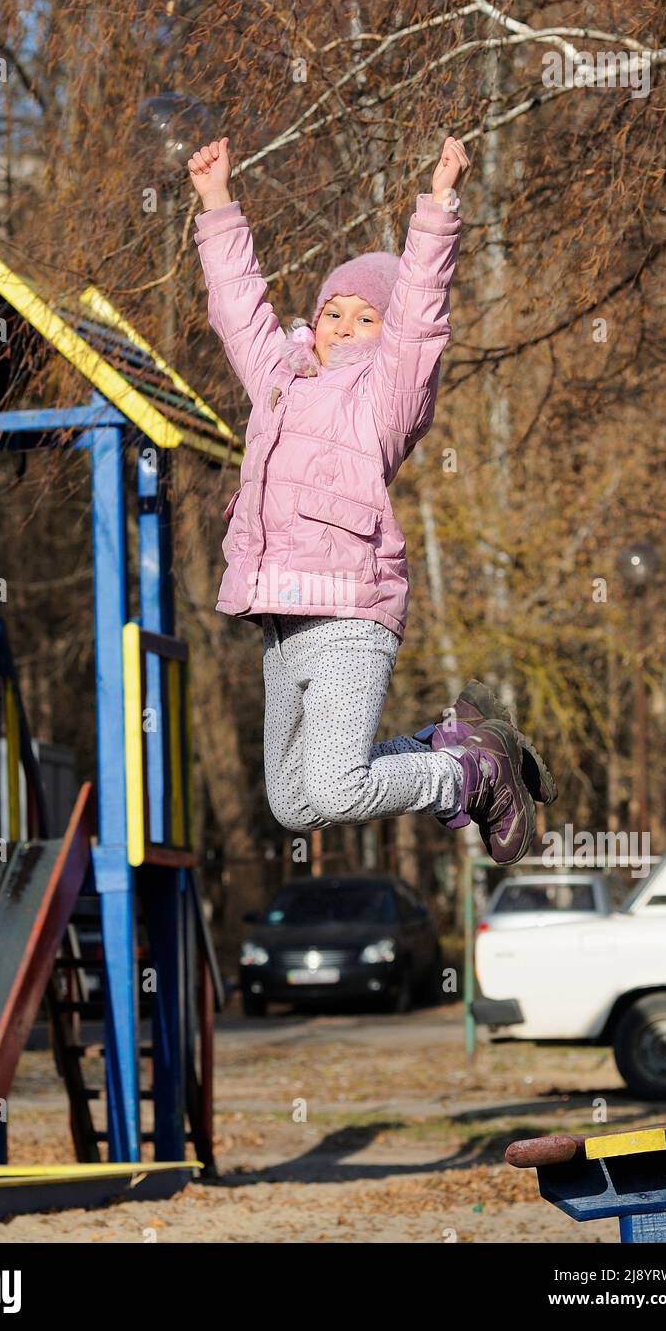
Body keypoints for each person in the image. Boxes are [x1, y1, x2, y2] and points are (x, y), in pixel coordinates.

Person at [188, 135, 555, 865]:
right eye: (335, 314)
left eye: (366, 318)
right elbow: (238, 310)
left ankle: (470, 772)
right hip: (281, 622)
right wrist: (216, 202)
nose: (346, 327)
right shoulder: (277, 378)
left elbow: (418, 318)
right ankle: (445, 744)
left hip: (350, 612)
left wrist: (438, 207)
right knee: (293, 801)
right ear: (315, 321)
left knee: (337, 788)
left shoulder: (384, 399)